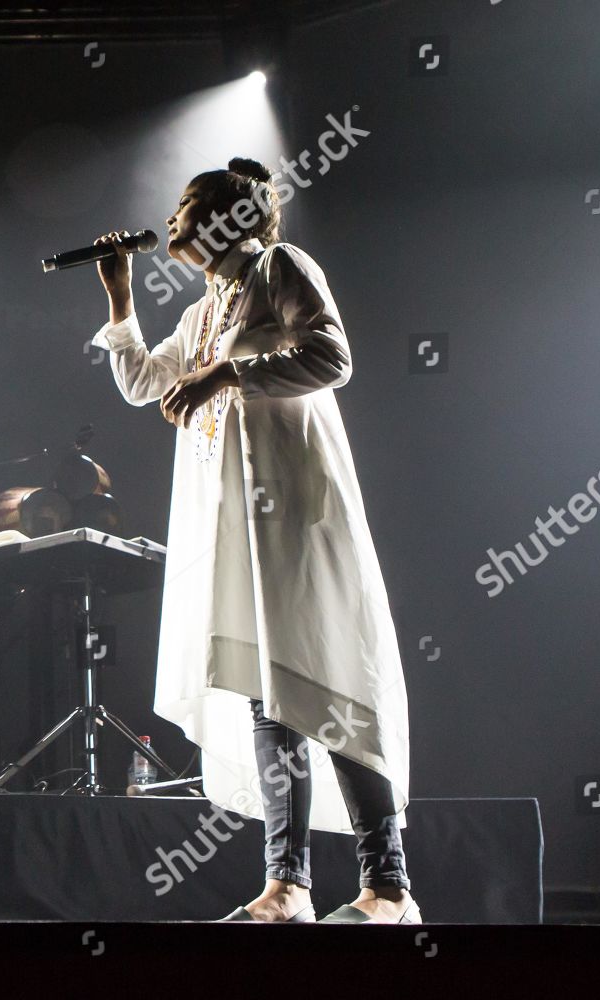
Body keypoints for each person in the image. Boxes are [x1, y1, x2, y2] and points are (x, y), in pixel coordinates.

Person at [89, 158, 418, 924]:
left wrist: (227, 376)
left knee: (330, 679)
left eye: (186, 204)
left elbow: (332, 356)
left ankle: (389, 888)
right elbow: (144, 384)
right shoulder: (202, 311)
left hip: (299, 511)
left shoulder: (279, 267)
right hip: (238, 528)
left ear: (227, 215)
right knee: (272, 695)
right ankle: (288, 886)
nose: (170, 218)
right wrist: (120, 298)